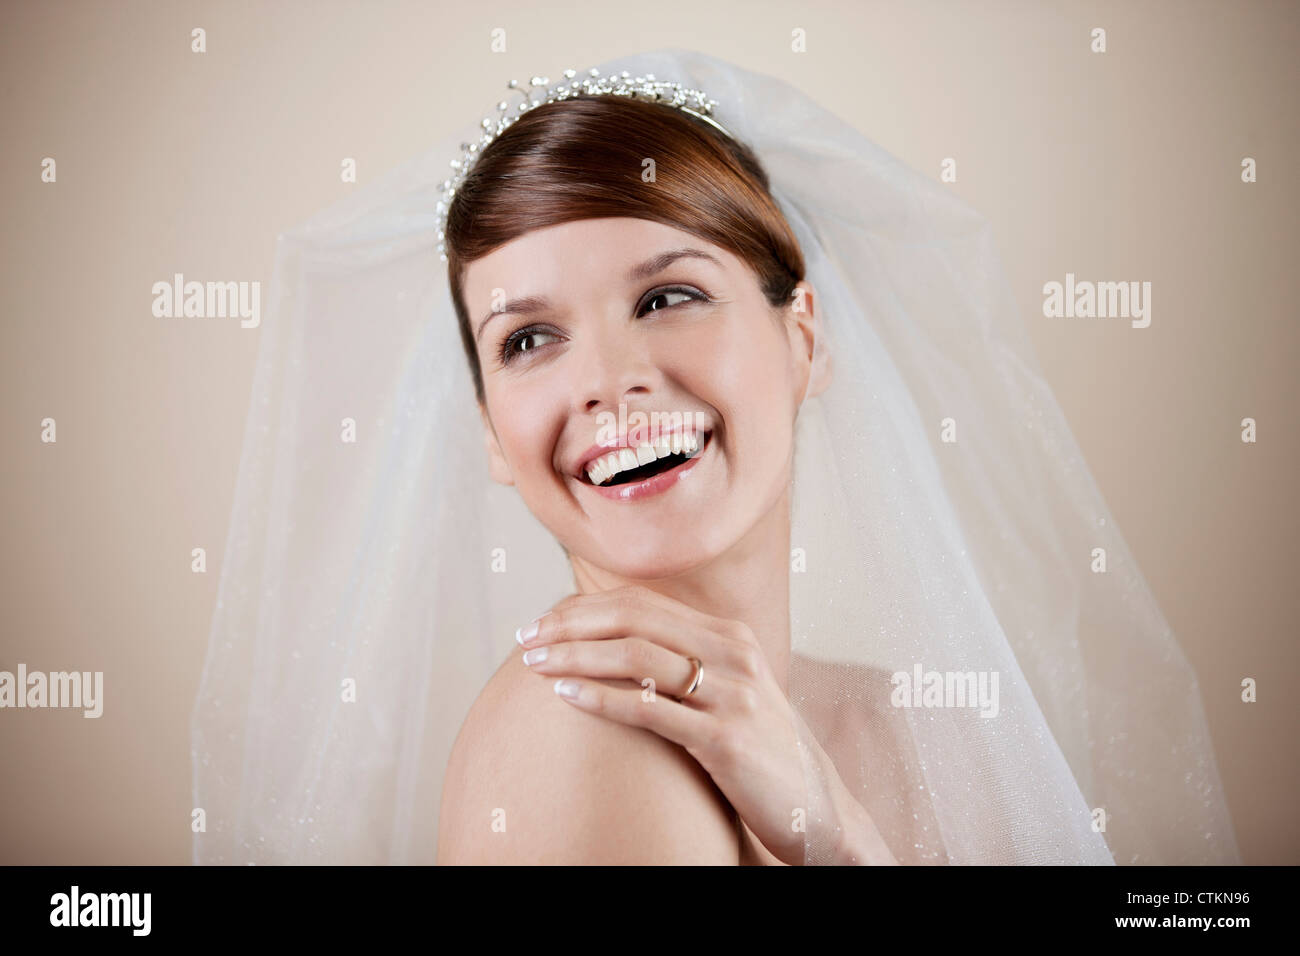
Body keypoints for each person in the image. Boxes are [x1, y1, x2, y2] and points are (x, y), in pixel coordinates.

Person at [191, 49, 1241, 865]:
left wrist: (835, 830)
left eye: (667, 296)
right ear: (488, 434)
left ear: (805, 338)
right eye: (528, 337)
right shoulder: (587, 732)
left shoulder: (912, 720)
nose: (608, 379)